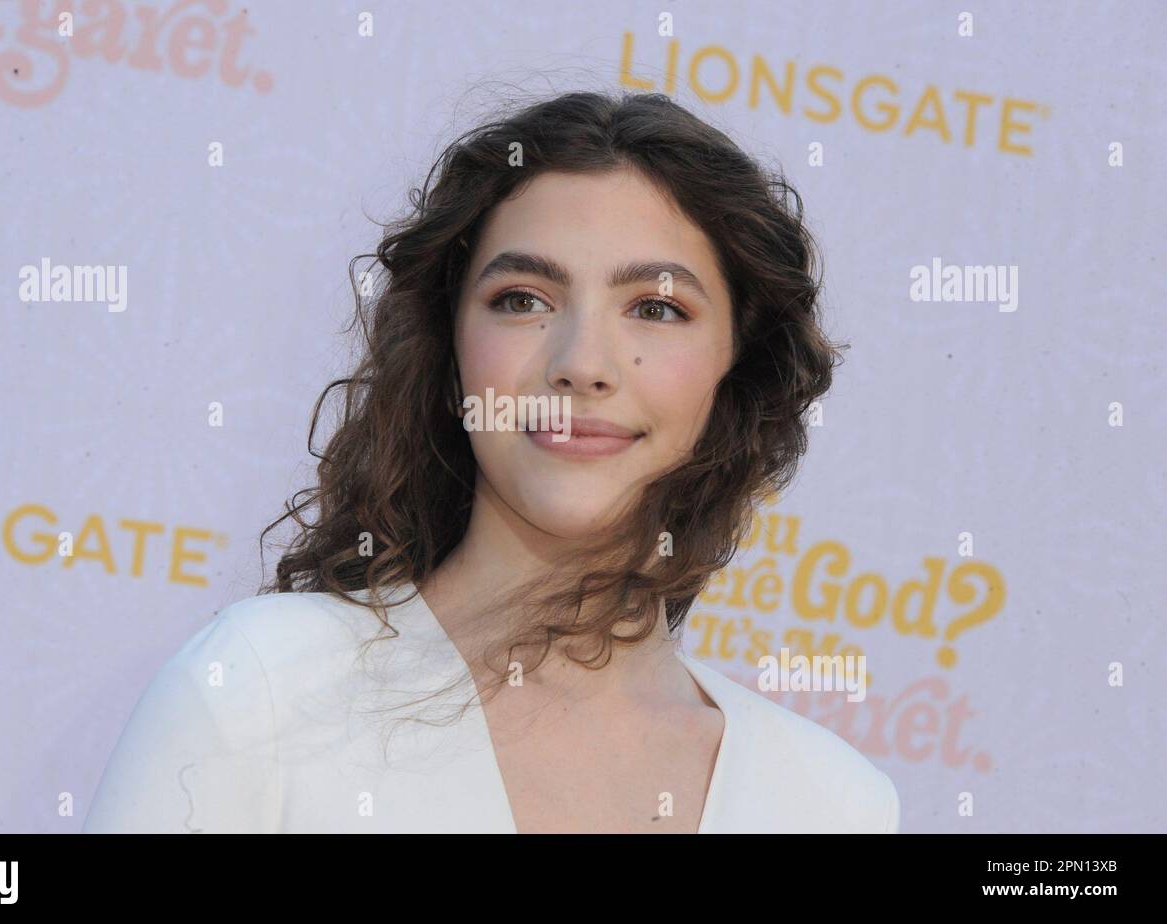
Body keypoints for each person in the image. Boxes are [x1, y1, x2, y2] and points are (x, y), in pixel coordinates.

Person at [83, 89, 900, 834]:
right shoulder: (258, 694)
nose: (582, 362)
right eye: (523, 301)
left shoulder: (829, 802)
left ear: (737, 371)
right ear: (448, 354)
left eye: (655, 307)